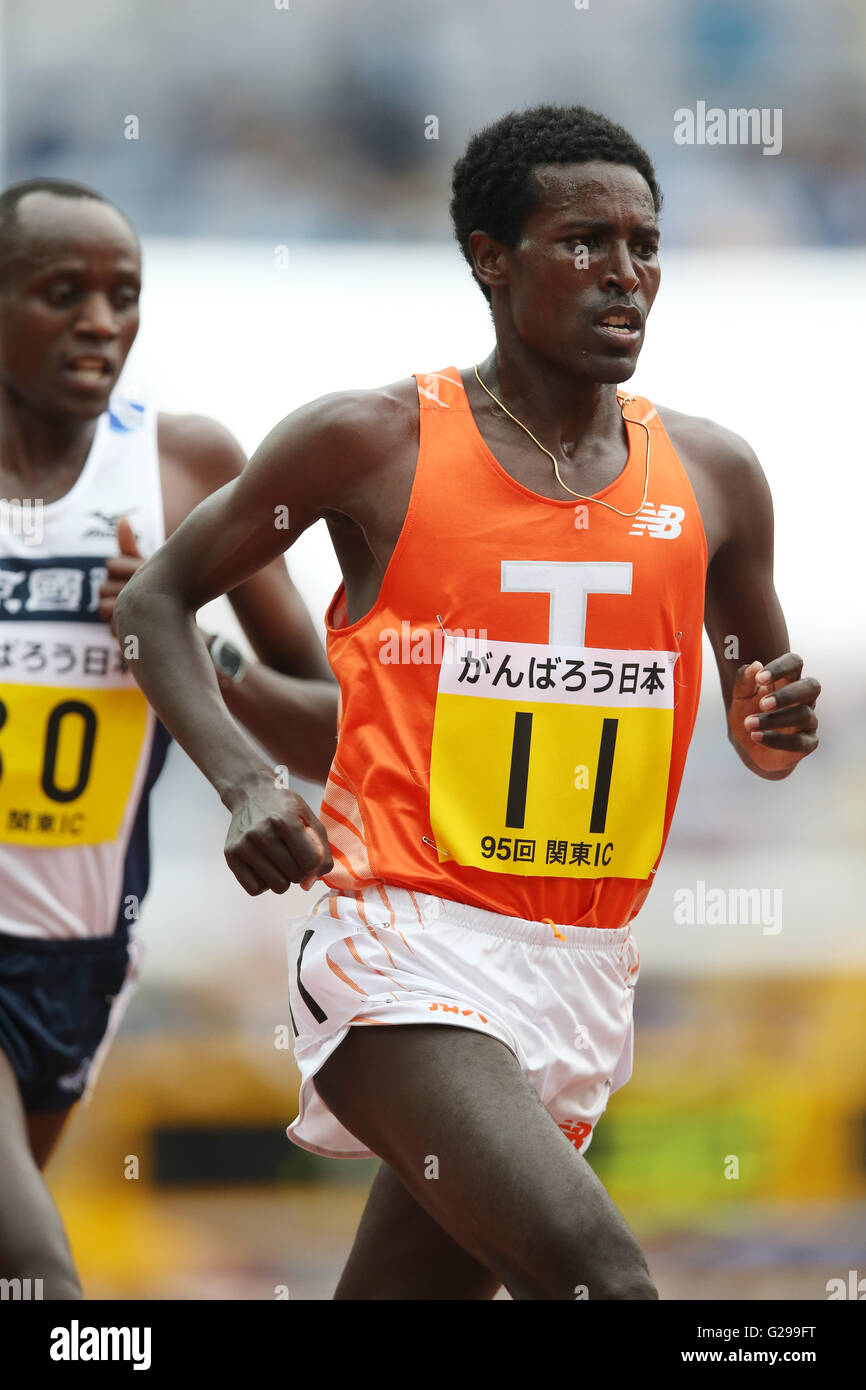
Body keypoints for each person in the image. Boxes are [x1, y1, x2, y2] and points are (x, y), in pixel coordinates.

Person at [114, 105, 821, 1301]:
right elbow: (154, 603)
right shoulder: (370, 444)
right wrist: (241, 780)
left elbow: (765, 733)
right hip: (404, 943)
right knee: (602, 1277)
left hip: (584, 966)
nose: (626, 274)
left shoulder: (714, 477)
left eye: (644, 244)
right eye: (584, 241)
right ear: (489, 257)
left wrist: (769, 725)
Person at [0, 178, 336, 1299]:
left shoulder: (184, 467)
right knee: (39, 1266)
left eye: (122, 295)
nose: (100, 321)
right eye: (62, 293)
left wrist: (193, 641)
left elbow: (340, 730)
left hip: (79, 953)